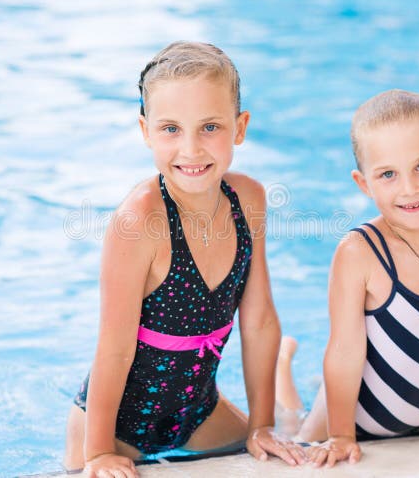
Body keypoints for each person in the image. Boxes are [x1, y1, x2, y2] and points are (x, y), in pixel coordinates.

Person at [64, 41, 306, 477]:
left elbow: (260, 320)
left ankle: (283, 380)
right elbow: (114, 349)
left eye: (210, 127)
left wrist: (261, 423)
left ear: (240, 126)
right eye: (171, 129)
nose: (191, 149)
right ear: (146, 131)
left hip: (199, 416)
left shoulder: (247, 200)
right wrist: (98, 452)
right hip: (117, 427)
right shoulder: (139, 221)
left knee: (292, 440)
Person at [275, 89, 419, 467]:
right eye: (388, 174)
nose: (409, 188)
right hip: (342, 418)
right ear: (364, 184)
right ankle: (284, 367)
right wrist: (341, 435)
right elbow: (345, 353)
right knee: (292, 427)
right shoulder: (360, 252)